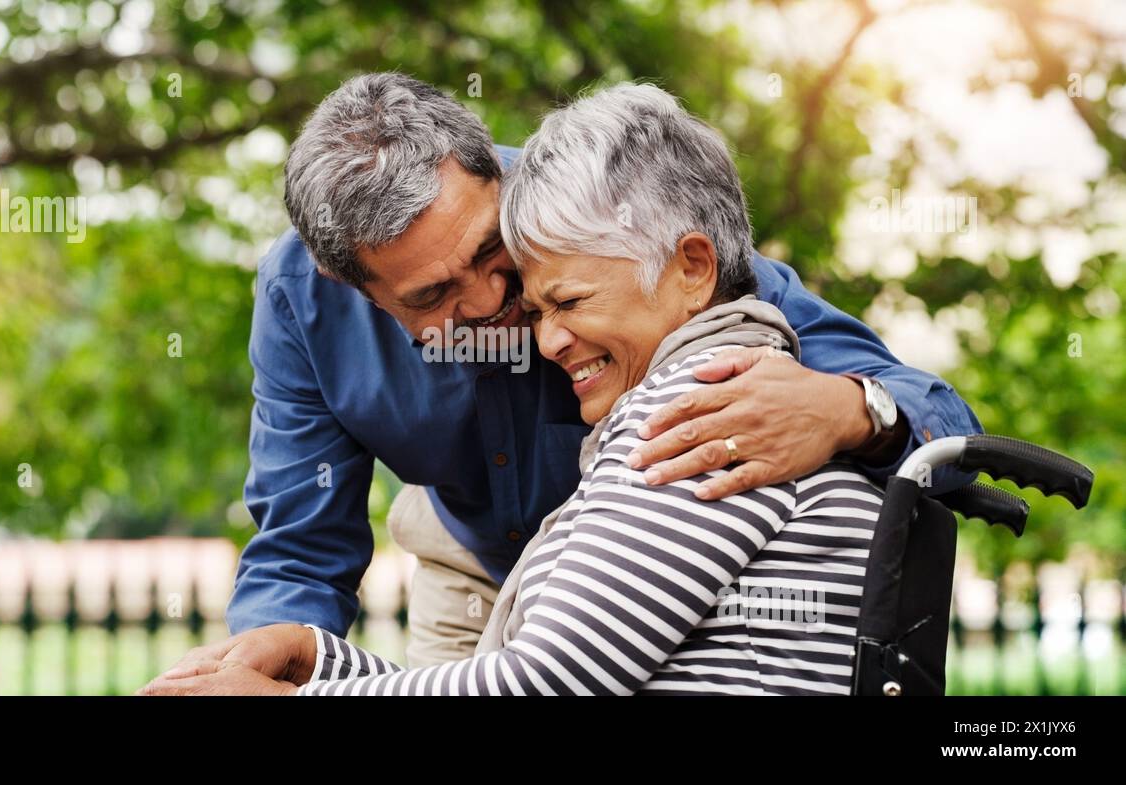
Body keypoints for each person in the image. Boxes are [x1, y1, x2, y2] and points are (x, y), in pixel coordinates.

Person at [143, 73, 980, 690]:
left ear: (494, 183)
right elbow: (301, 543)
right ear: (355, 288)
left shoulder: (600, 218)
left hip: (641, 556)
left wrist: (848, 406)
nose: (497, 305)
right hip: (475, 571)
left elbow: (943, 423)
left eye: (488, 254)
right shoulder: (301, 301)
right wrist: (278, 663)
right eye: (433, 297)